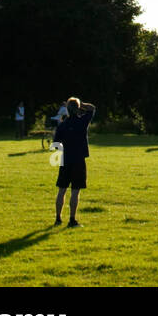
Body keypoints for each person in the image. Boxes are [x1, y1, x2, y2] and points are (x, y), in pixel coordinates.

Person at [53, 96, 96, 227]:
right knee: (75, 191)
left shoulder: (62, 125)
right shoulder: (82, 122)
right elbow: (92, 108)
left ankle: (58, 218)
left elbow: (55, 145)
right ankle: (72, 219)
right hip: (78, 160)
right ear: (77, 109)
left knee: (62, 190)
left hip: (65, 159)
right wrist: (81, 104)